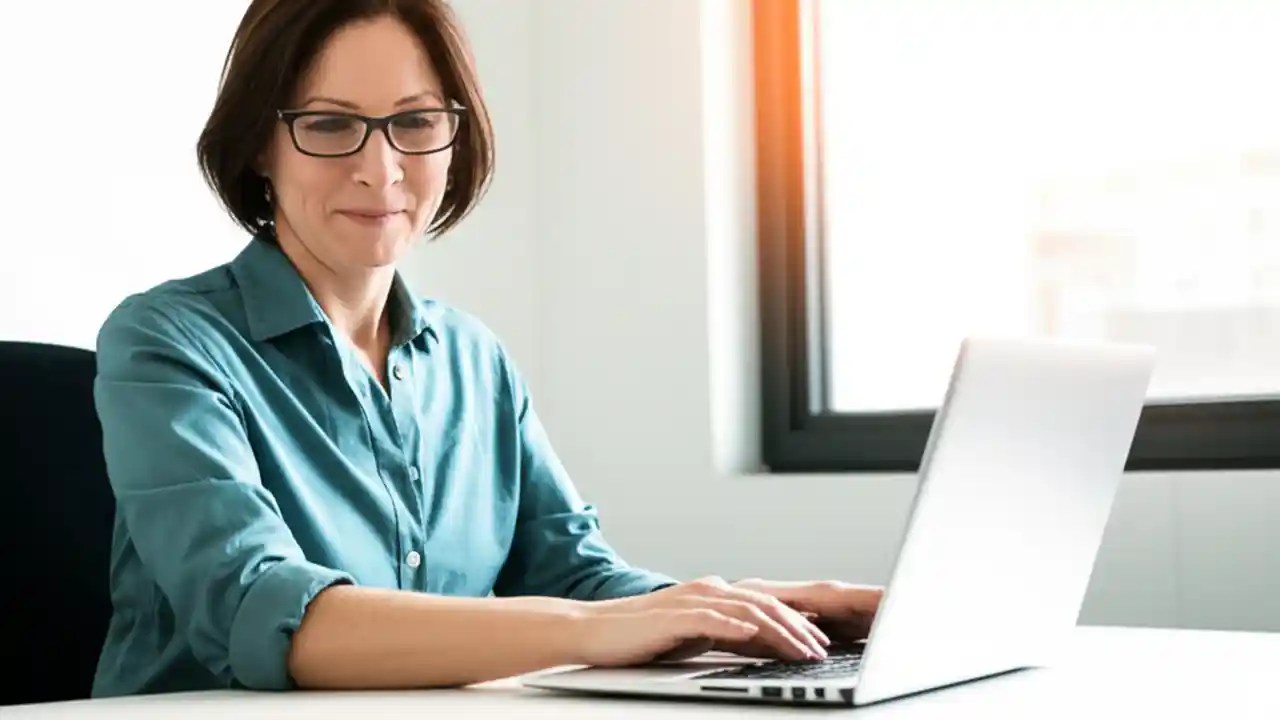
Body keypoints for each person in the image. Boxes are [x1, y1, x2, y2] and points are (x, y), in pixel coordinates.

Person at [91, 0, 883, 697]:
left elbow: (576, 579)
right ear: (261, 145)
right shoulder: (166, 343)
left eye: (415, 122)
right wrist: (587, 628)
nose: (381, 168)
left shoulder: (475, 360)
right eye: (329, 124)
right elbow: (262, 614)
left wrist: (736, 609)